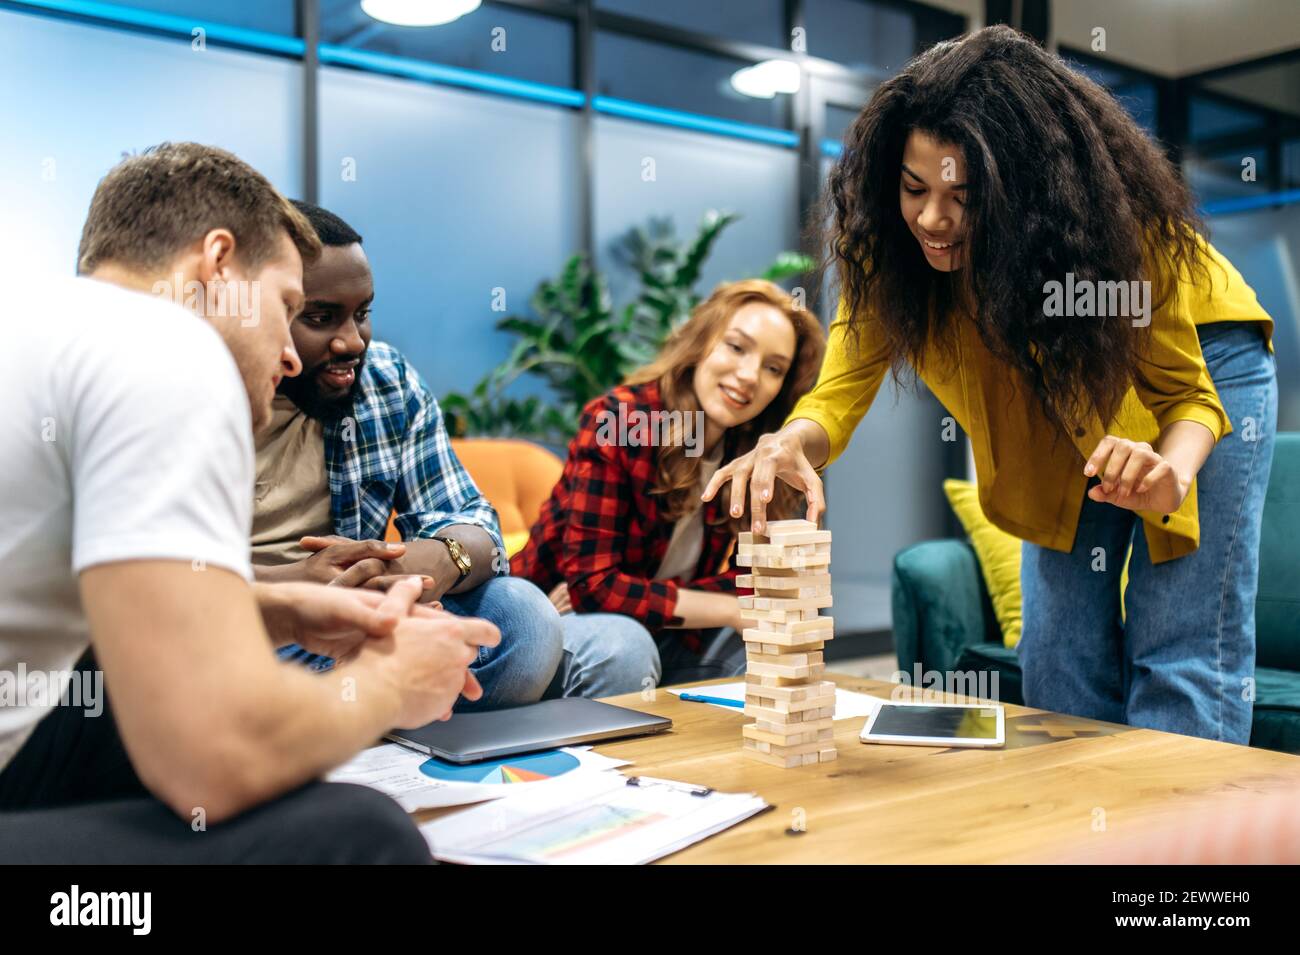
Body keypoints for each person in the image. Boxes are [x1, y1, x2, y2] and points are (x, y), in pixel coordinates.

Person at [704, 26, 1276, 745]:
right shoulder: (891, 247)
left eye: (963, 197)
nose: (933, 219)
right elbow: (839, 391)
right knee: (1058, 653)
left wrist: (1173, 474)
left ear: (1027, 195)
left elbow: (1188, 396)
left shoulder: (1108, 234)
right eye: (914, 189)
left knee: (1178, 648)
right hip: (1059, 400)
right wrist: (789, 441)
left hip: (1205, 359)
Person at [0, 143, 496, 863]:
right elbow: (211, 760)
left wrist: (276, 607)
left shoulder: (41, 326)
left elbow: (97, 613)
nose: (293, 355)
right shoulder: (166, 348)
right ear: (218, 264)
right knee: (364, 836)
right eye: (289, 306)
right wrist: (391, 683)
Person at [248, 201, 562, 709]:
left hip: (367, 621)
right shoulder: (200, 390)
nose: (352, 342)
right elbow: (164, 590)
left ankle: (365, 717)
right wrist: (296, 590)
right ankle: (380, 713)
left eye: (363, 313)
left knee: (523, 618)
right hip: (244, 636)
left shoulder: (385, 379)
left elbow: (476, 524)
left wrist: (419, 569)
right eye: (321, 317)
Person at [514, 280, 825, 695]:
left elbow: (759, 582)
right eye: (736, 347)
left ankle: (713, 758)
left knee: (775, 629)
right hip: (559, 626)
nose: (749, 376)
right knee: (626, 648)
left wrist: (634, 594)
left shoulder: (755, 451)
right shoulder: (622, 421)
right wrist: (727, 607)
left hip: (662, 628)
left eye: (773, 368)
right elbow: (594, 586)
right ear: (700, 343)